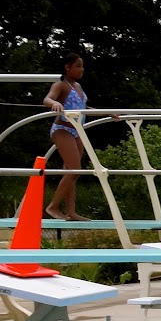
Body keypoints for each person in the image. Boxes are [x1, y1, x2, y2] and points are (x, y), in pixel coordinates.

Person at [43, 53, 91, 221]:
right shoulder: (61, 85)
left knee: (72, 172)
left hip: (77, 130)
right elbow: (47, 99)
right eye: (78, 66)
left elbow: (82, 106)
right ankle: (53, 207)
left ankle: (71, 211)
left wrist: (107, 112)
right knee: (74, 169)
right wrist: (55, 103)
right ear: (67, 67)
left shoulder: (78, 87)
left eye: (82, 66)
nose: (81, 69)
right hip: (62, 128)